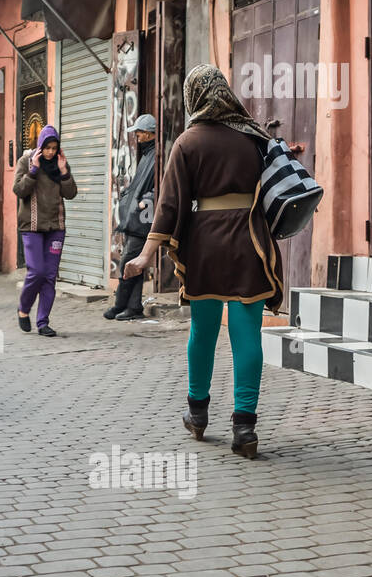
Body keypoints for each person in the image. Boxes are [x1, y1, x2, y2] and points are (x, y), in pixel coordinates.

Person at [122, 64, 288, 459]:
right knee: (246, 333)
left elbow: (169, 205)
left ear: (194, 96)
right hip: (250, 241)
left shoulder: (187, 142)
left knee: (204, 331)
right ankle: (245, 427)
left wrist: (145, 255)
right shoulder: (253, 137)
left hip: (206, 248)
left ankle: (197, 414)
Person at [12, 124, 78, 337]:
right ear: (40, 146)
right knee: (37, 272)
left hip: (56, 227)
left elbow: (71, 193)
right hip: (31, 227)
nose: (50, 152)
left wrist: (64, 171)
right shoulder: (26, 161)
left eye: (53, 148)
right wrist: (33, 169)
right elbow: (19, 190)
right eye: (47, 148)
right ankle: (23, 309)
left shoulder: (60, 164)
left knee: (49, 276)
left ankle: (43, 323)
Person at [105, 113, 158, 321]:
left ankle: (121, 305)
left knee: (129, 259)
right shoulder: (148, 155)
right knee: (134, 261)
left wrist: (146, 200)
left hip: (142, 218)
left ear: (148, 134)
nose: (136, 136)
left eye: (139, 132)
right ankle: (133, 306)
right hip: (136, 217)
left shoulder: (156, 155)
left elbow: (161, 183)